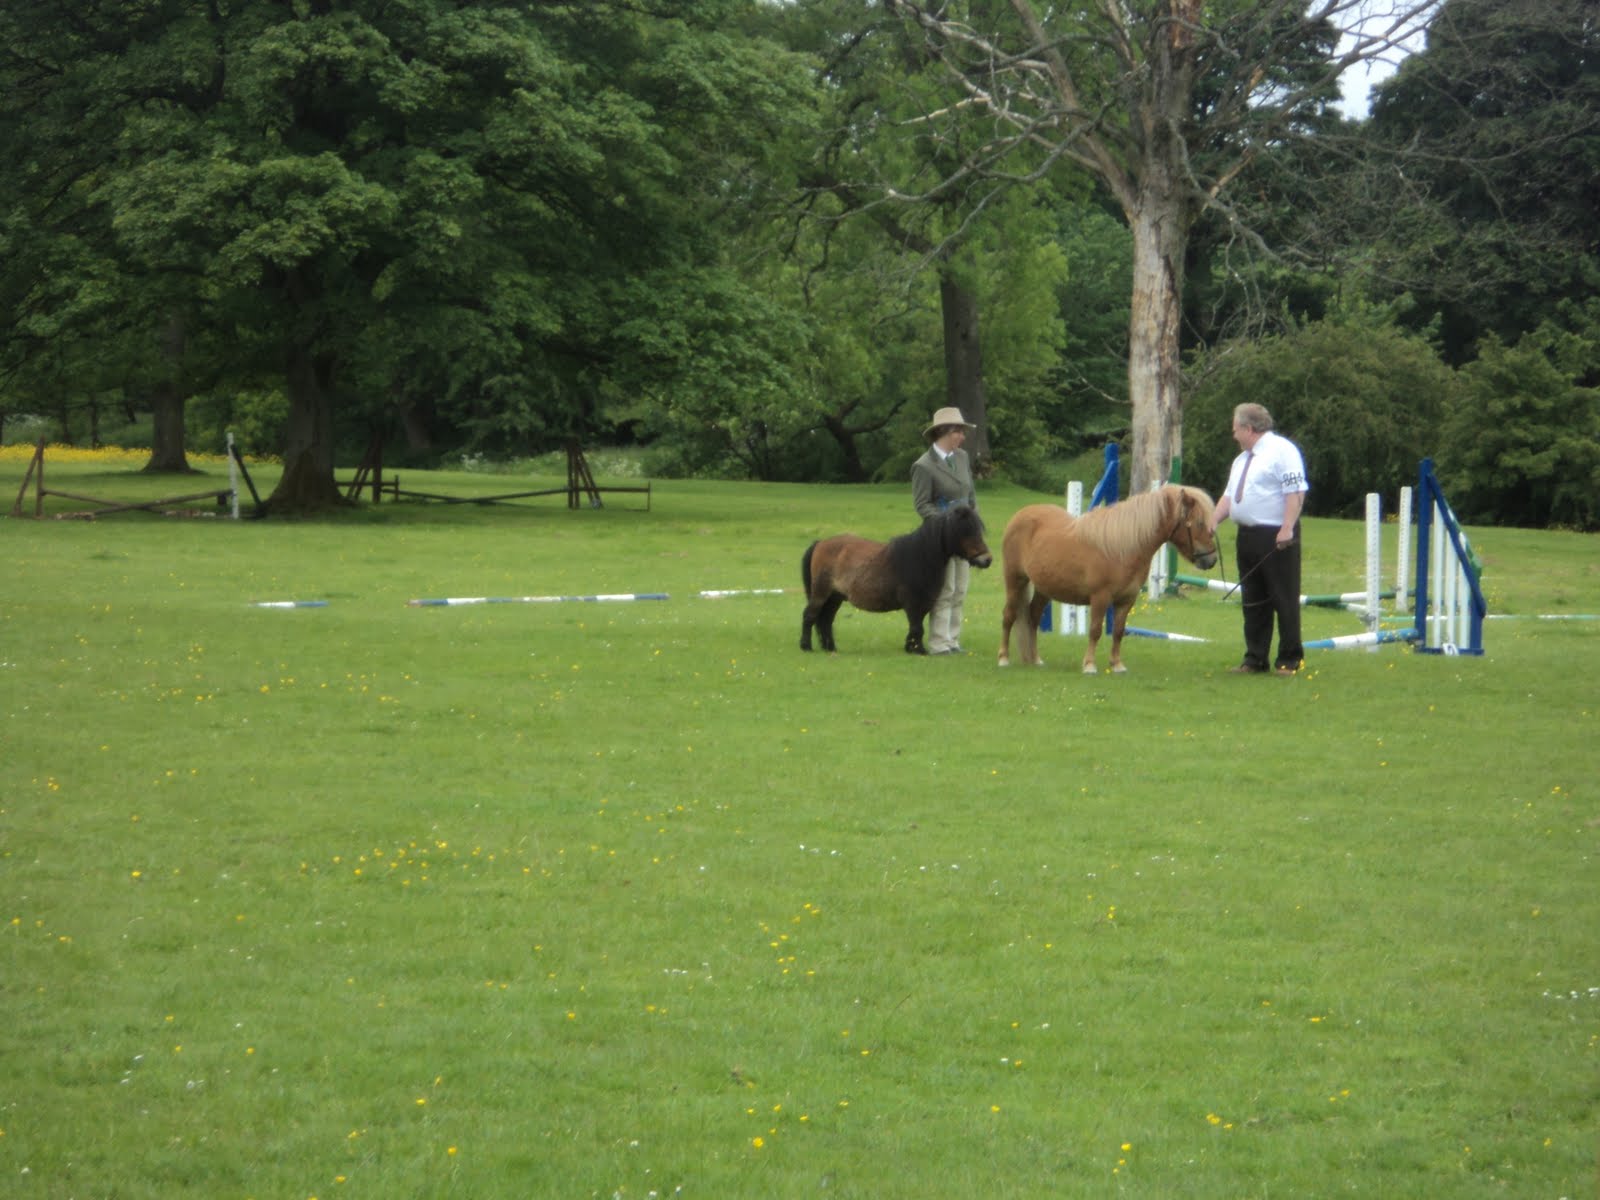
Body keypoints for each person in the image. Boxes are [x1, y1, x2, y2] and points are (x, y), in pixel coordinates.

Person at [1209, 402, 1309, 675]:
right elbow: (1230, 496)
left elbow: (1295, 492)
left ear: (1248, 428)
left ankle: (1289, 659)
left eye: (1235, 430)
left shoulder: (1282, 451)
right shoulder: (1242, 460)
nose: (1233, 435)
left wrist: (1287, 527)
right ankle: (1255, 658)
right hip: (1248, 536)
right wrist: (1213, 521)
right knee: (1253, 599)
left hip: (1276, 535)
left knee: (1283, 597)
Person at [911, 406, 979, 655]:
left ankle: (953, 639)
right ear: (943, 432)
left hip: (965, 537)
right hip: (940, 538)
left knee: (960, 588)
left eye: (962, 432)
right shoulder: (923, 466)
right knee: (945, 588)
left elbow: (970, 495)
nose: (962, 437)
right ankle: (939, 642)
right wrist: (946, 525)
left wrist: (973, 527)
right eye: (958, 432)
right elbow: (922, 505)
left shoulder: (962, 458)